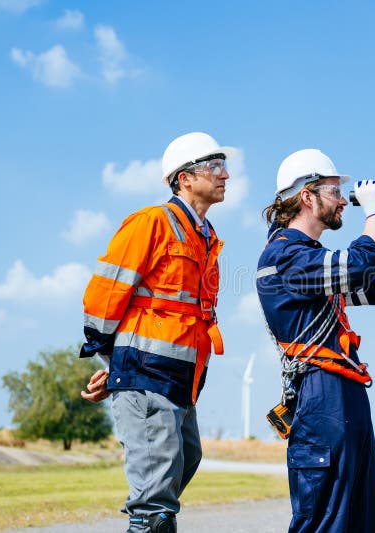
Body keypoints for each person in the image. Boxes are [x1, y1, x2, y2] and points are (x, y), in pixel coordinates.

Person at [79, 132, 230, 533]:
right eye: (214, 167)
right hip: (147, 376)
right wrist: (116, 366)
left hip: (181, 381)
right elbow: (103, 297)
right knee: (156, 509)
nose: (225, 174)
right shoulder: (151, 223)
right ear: (184, 178)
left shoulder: (206, 239)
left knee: (188, 458)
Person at [256, 148, 375, 532]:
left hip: (344, 394)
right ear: (307, 196)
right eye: (335, 191)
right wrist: (372, 212)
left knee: (360, 520)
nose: (343, 200)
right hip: (319, 396)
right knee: (326, 521)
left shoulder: (315, 259)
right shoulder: (284, 256)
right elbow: (356, 266)